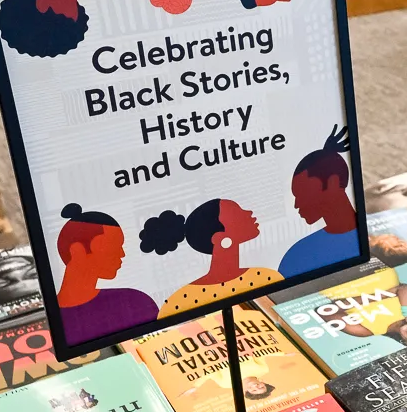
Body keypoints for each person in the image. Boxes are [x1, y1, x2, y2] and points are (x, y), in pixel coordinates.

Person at [142, 199, 283, 314]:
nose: (249, 212)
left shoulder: (268, 277)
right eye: (237, 213)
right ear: (220, 238)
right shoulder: (177, 303)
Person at [53, 206, 160, 340]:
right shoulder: (55, 323)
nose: (122, 254)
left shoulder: (136, 301)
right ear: (77, 251)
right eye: (112, 246)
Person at [280, 126, 361, 273]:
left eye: (302, 193)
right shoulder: (296, 256)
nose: (296, 205)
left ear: (333, 182)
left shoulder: (298, 255)